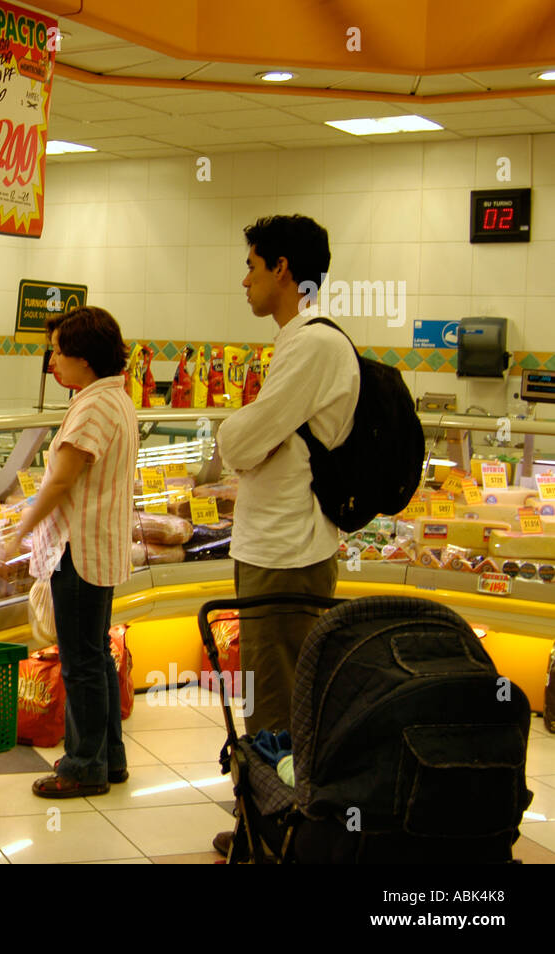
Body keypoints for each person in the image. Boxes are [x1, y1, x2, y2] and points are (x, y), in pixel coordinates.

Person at [211, 215, 359, 854]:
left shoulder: (313, 344)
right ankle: (266, 824)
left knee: (277, 707)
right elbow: (260, 442)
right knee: (271, 695)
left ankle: (277, 838)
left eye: (251, 264)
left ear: (282, 269)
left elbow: (245, 438)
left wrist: (231, 435)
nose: (244, 279)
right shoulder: (297, 342)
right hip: (275, 547)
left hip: (287, 552)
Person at [4, 306, 138, 798]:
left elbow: (60, 482)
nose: (52, 360)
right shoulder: (112, 397)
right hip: (96, 549)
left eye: (58, 351)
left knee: (81, 662)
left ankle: (83, 766)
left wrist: (19, 532)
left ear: (84, 357)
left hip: (77, 551)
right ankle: (109, 759)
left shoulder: (93, 407)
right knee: (96, 657)